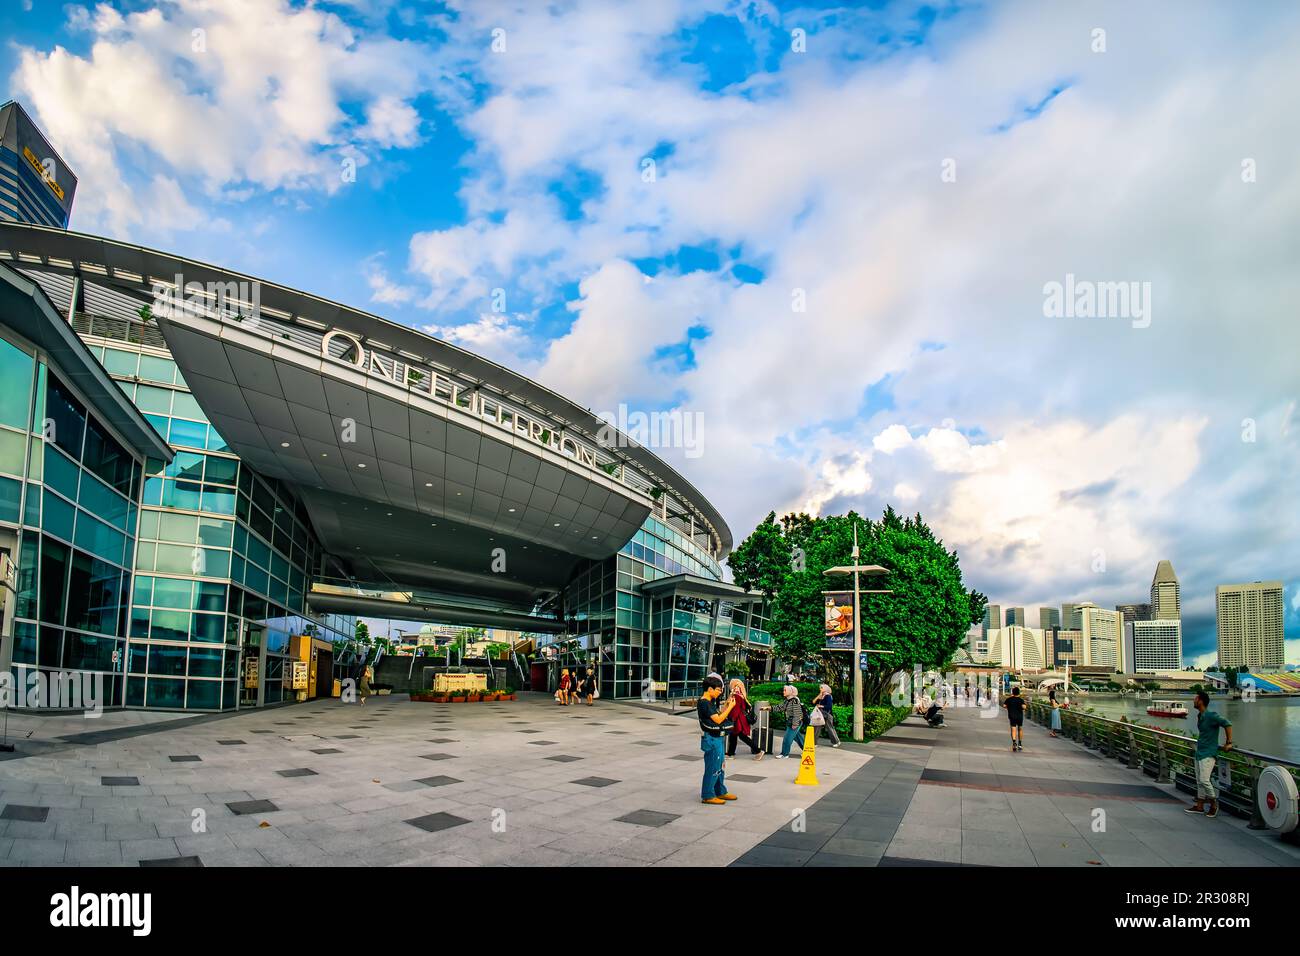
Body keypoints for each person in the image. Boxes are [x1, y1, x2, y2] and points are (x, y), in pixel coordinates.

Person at [1186, 690, 1233, 818]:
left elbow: (1227, 724)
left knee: (1204, 780)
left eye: (1195, 698)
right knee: (1199, 781)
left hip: (1208, 753)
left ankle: (1213, 804)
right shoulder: (1200, 716)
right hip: (1200, 752)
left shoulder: (1211, 715)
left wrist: (1228, 742)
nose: (1194, 700)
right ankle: (1200, 806)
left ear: (1201, 701)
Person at [697, 676, 739, 805]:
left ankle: (720, 791)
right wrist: (731, 707)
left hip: (716, 737)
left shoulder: (710, 701)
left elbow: (719, 714)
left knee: (720, 766)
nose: (720, 692)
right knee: (713, 767)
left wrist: (727, 704)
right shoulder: (704, 702)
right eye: (718, 690)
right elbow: (719, 720)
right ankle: (708, 795)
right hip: (712, 738)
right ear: (710, 689)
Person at [725, 678, 764, 761]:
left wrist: (732, 719)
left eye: (737, 686)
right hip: (741, 720)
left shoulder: (735, 696)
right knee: (733, 737)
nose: (735, 688)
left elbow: (735, 710)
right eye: (735, 686)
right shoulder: (742, 696)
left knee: (742, 737)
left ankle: (758, 751)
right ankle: (730, 753)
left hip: (737, 720)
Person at [777, 685, 808, 759]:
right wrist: (770, 708)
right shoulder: (788, 700)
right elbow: (780, 707)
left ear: (790, 691)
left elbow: (797, 713)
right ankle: (807, 751)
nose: (783, 692)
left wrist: (795, 724)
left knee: (787, 738)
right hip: (791, 722)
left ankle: (784, 754)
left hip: (794, 722)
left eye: (785, 690)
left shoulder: (795, 701)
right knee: (798, 738)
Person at [1002, 685, 1026, 751]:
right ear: (1019, 693)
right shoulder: (1021, 700)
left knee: (1013, 729)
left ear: (1013, 692)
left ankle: (1014, 743)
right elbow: (1024, 707)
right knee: (1020, 729)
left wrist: (1009, 708)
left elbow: (1004, 705)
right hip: (1019, 716)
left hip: (1012, 716)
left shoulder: (1009, 699)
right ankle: (1020, 744)